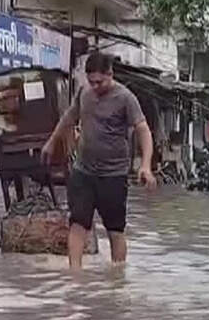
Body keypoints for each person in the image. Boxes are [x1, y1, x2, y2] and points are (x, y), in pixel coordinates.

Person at [41, 52, 157, 270]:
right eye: (91, 81)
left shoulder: (125, 98)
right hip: (83, 171)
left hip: (113, 175)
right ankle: (74, 275)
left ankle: (117, 277)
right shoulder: (84, 92)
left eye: (99, 82)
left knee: (115, 229)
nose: (95, 86)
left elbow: (143, 130)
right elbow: (69, 117)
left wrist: (145, 165)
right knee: (78, 223)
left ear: (110, 74)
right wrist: (51, 142)